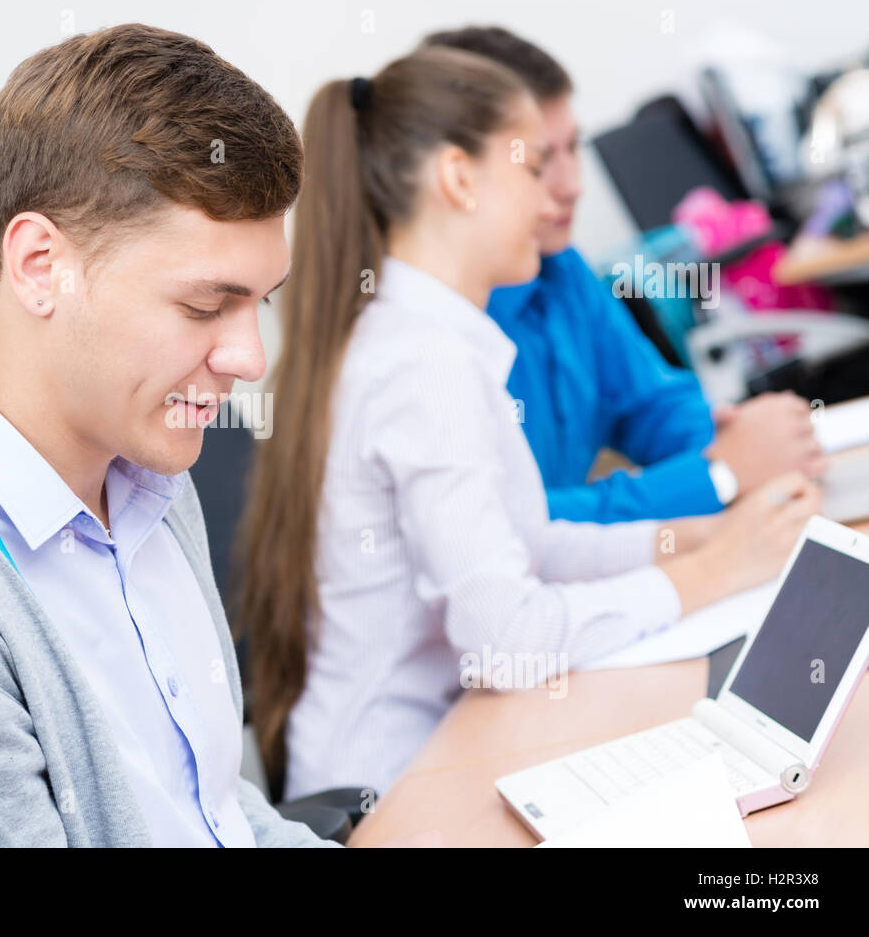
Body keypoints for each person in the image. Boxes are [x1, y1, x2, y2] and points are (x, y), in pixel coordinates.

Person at [237, 46, 821, 800]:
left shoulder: (437, 336)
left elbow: (526, 544)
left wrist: (704, 538)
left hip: (456, 740)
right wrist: (707, 573)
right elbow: (504, 642)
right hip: (394, 786)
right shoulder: (421, 364)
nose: (552, 198)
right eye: (532, 168)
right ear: (457, 178)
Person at [0, 23, 347, 847]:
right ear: (39, 266)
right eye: (205, 307)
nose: (248, 358)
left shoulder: (148, 469)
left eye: (261, 304)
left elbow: (213, 811)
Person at [417, 26, 825, 525]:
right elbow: (502, 530)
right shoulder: (428, 334)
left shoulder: (560, 268)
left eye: (573, 149)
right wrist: (717, 475)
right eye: (540, 163)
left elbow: (646, 404)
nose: (571, 187)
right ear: (459, 177)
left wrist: (741, 439)